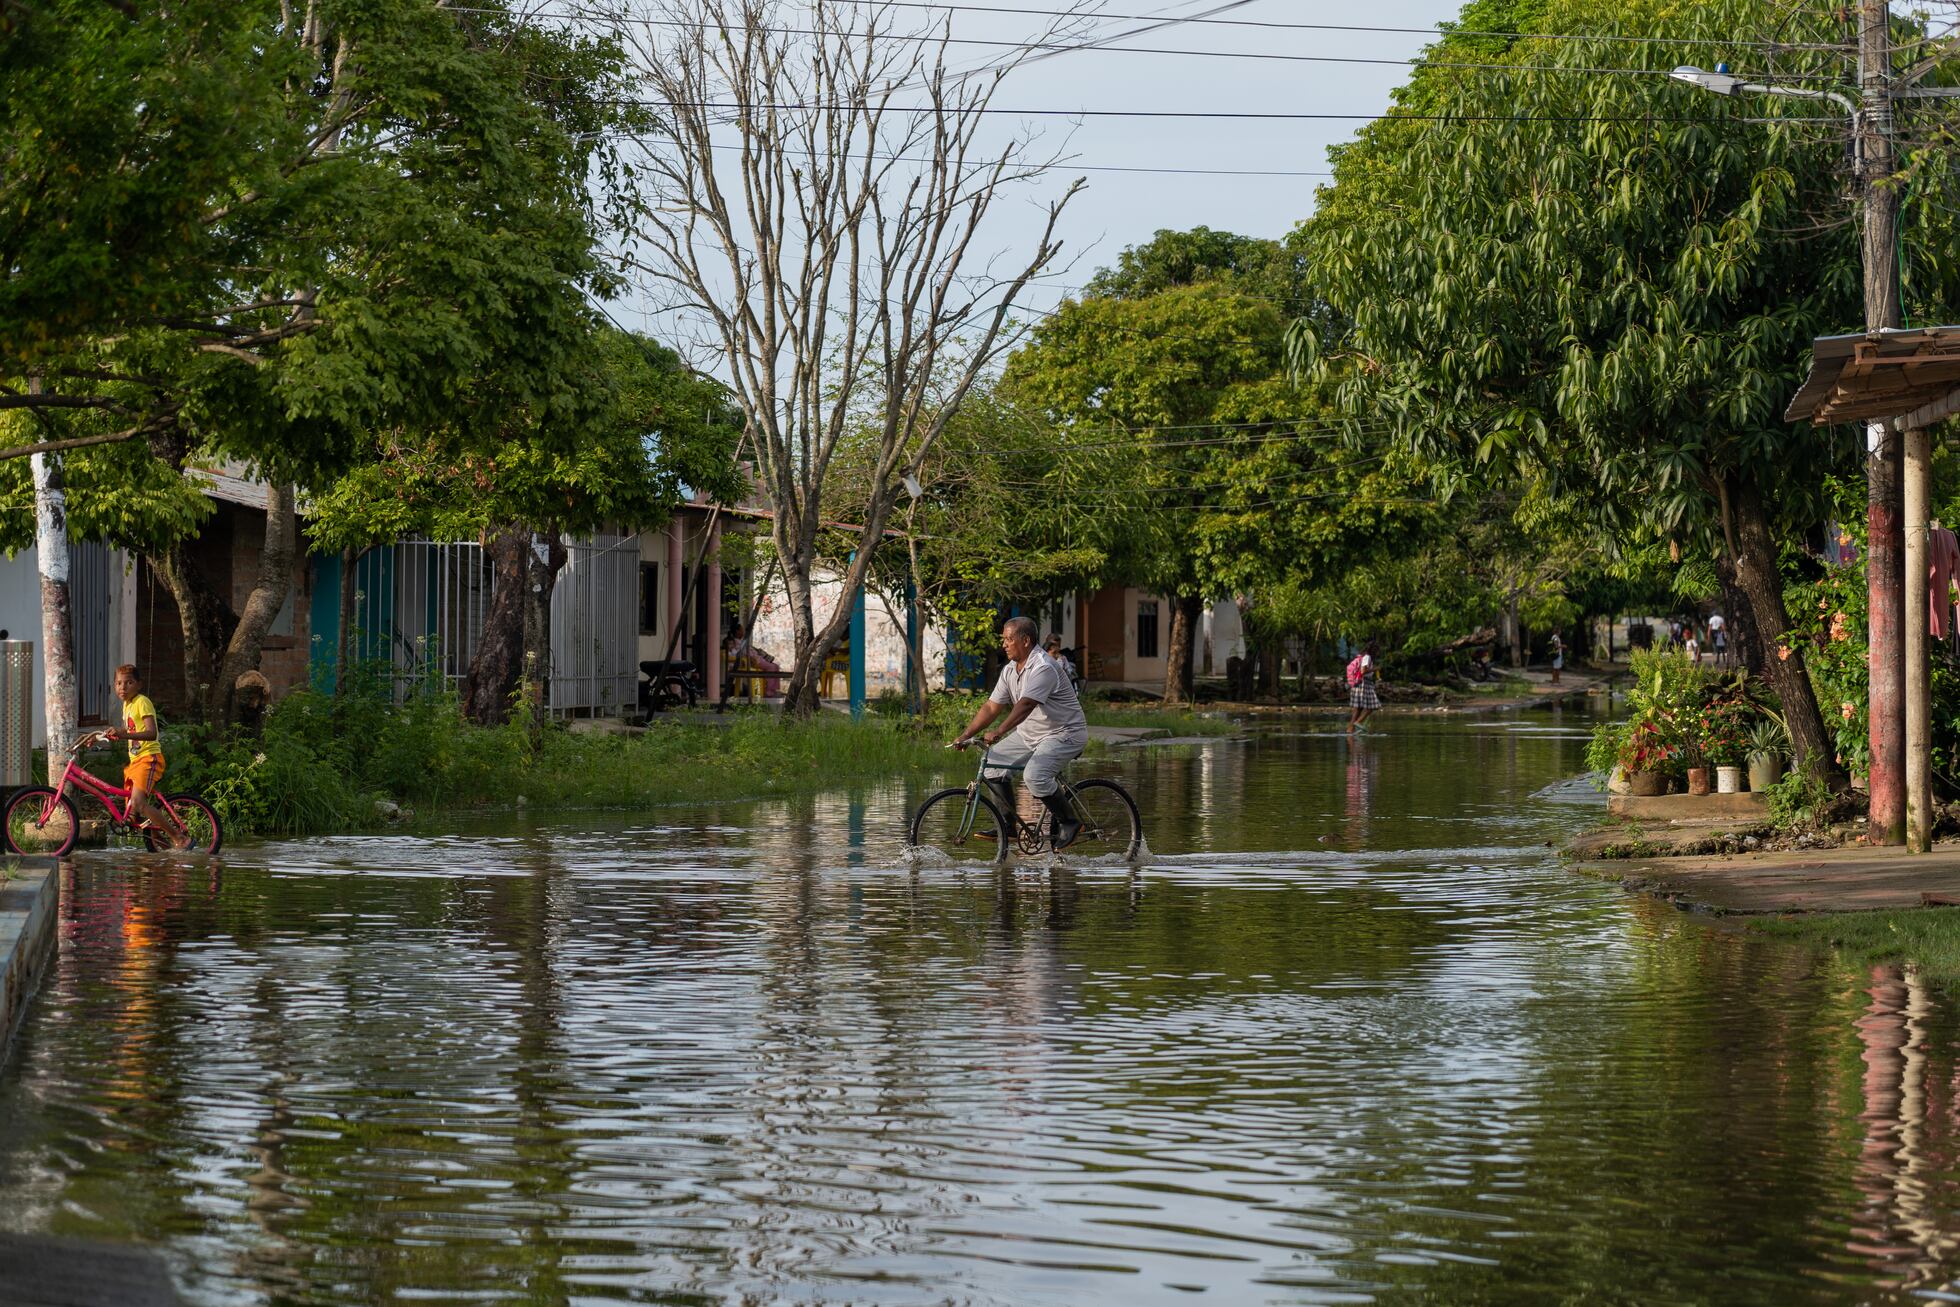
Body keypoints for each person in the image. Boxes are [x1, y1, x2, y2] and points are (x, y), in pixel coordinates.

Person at [952, 616, 1089, 849]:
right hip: (1031, 734)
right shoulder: (1009, 671)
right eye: (1003, 639)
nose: (1004, 644)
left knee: (1034, 776)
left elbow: (1026, 704)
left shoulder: (1043, 667)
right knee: (993, 763)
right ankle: (1007, 828)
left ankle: (1070, 822)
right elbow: (991, 707)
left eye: (1008, 639)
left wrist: (999, 731)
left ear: (1025, 640)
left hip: (1064, 733)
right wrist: (966, 735)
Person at [103, 665, 187, 849]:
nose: (122, 687)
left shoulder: (142, 701)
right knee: (133, 815)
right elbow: (132, 729)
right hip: (135, 762)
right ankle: (164, 847)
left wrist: (124, 735)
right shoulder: (127, 705)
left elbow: (151, 733)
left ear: (139, 685)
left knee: (139, 804)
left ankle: (179, 838)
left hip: (148, 758)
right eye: (118, 683)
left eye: (128, 683)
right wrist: (115, 733)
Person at [1347, 641, 1382, 733]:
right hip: (1363, 683)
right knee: (1373, 706)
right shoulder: (1367, 657)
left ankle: (1350, 730)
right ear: (1373, 650)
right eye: (1377, 651)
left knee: (1358, 709)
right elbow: (1363, 671)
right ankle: (1358, 722)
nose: (1378, 653)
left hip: (1359, 683)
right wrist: (1375, 669)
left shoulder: (1364, 656)